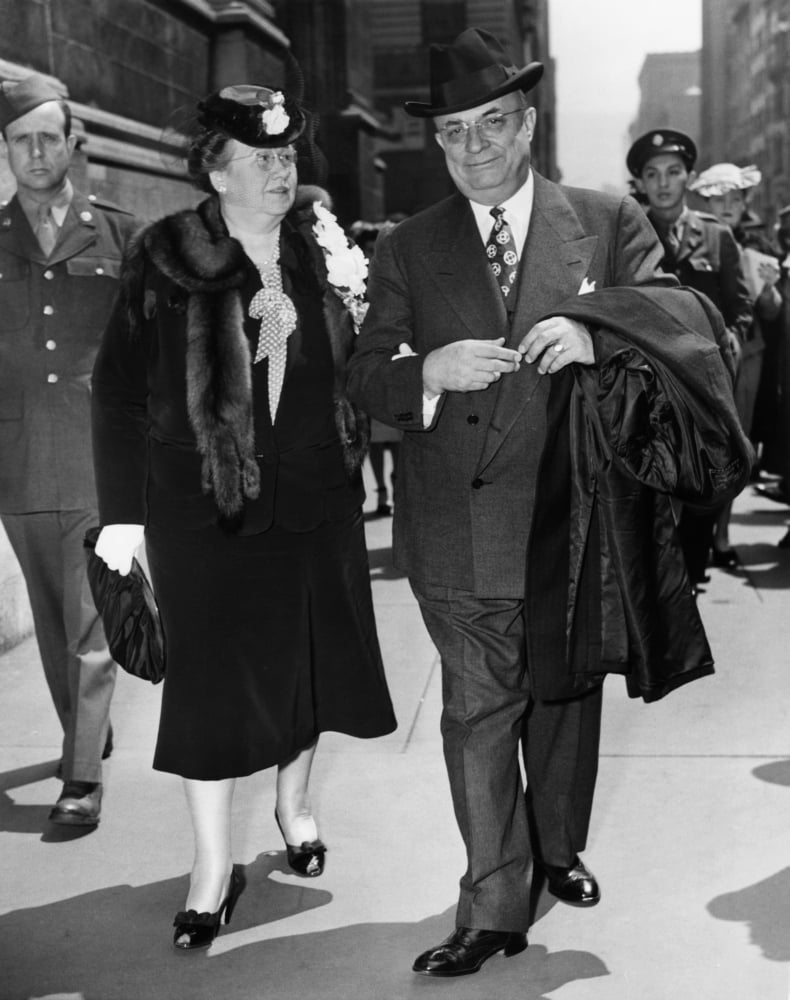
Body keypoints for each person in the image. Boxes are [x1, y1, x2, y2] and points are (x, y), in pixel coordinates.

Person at [348, 28, 750, 978]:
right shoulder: (408, 246)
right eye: (455, 130)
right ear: (438, 143)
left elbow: (690, 325)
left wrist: (597, 333)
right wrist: (425, 372)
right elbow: (363, 374)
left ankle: (557, 848)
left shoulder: (606, 222)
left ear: (527, 125)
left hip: (577, 520)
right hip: (459, 527)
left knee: (564, 699)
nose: (475, 145)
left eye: (492, 123)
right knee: (479, 714)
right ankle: (493, 903)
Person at [90, 84, 396, 950]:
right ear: (216, 172)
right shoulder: (165, 256)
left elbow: (364, 362)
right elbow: (115, 391)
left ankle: (294, 807)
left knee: (308, 664)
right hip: (204, 511)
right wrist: (121, 518)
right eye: (259, 159)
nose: (279, 171)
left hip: (316, 502)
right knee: (211, 689)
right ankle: (213, 865)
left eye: (287, 156)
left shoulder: (322, 250)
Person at [0, 75, 137, 827]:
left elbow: (144, 350)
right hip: (16, 458)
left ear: (72, 144)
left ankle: (81, 777)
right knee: (53, 624)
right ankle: (87, 728)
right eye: (21, 140)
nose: (36, 152)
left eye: (48, 138)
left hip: (95, 456)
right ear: (6, 149)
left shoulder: (117, 234)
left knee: (89, 618)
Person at [627, 129, 753, 582]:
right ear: (641, 182)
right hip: (650, 380)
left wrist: (733, 337)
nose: (663, 183)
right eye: (652, 174)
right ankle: (657, 578)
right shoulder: (629, 234)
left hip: (705, 384)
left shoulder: (716, 235)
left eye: (673, 172)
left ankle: (693, 573)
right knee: (653, 481)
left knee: (705, 476)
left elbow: (741, 306)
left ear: (688, 177)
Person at [688, 163, 782, 559]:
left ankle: (722, 535)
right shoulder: (694, 237)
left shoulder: (760, 246)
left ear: (745, 204)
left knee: (736, 441)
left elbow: (772, 312)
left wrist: (769, 288)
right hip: (697, 351)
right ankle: (692, 537)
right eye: (718, 199)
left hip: (748, 353)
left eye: (734, 199)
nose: (727, 206)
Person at [350, 220, 402, 515]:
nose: (372, 255)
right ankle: (382, 493)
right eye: (368, 249)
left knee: (398, 437)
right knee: (377, 440)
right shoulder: (355, 281)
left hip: (396, 363)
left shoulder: (394, 275)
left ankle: (397, 487)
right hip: (368, 366)